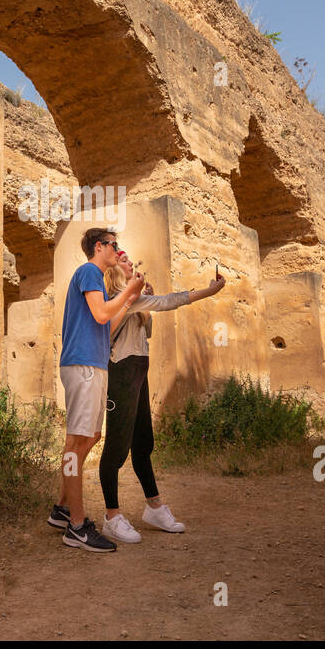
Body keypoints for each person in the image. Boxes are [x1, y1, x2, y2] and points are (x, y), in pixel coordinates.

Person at [98, 250, 225, 543]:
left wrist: (143, 302)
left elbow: (148, 331)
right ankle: (112, 517)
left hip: (138, 372)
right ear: (116, 271)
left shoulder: (134, 300)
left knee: (143, 444)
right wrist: (210, 290)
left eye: (132, 259)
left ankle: (154, 507)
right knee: (116, 450)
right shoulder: (119, 299)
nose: (132, 263)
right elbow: (171, 302)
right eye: (126, 261)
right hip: (121, 373)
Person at [47, 227, 144, 553]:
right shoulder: (89, 271)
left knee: (89, 438)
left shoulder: (97, 281)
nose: (118, 252)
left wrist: (129, 297)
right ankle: (77, 525)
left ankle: (62, 508)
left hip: (94, 364)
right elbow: (102, 312)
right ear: (99, 247)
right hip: (83, 365)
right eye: (114, 246)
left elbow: (107, 323)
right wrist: (129, 287)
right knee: (76, 443)